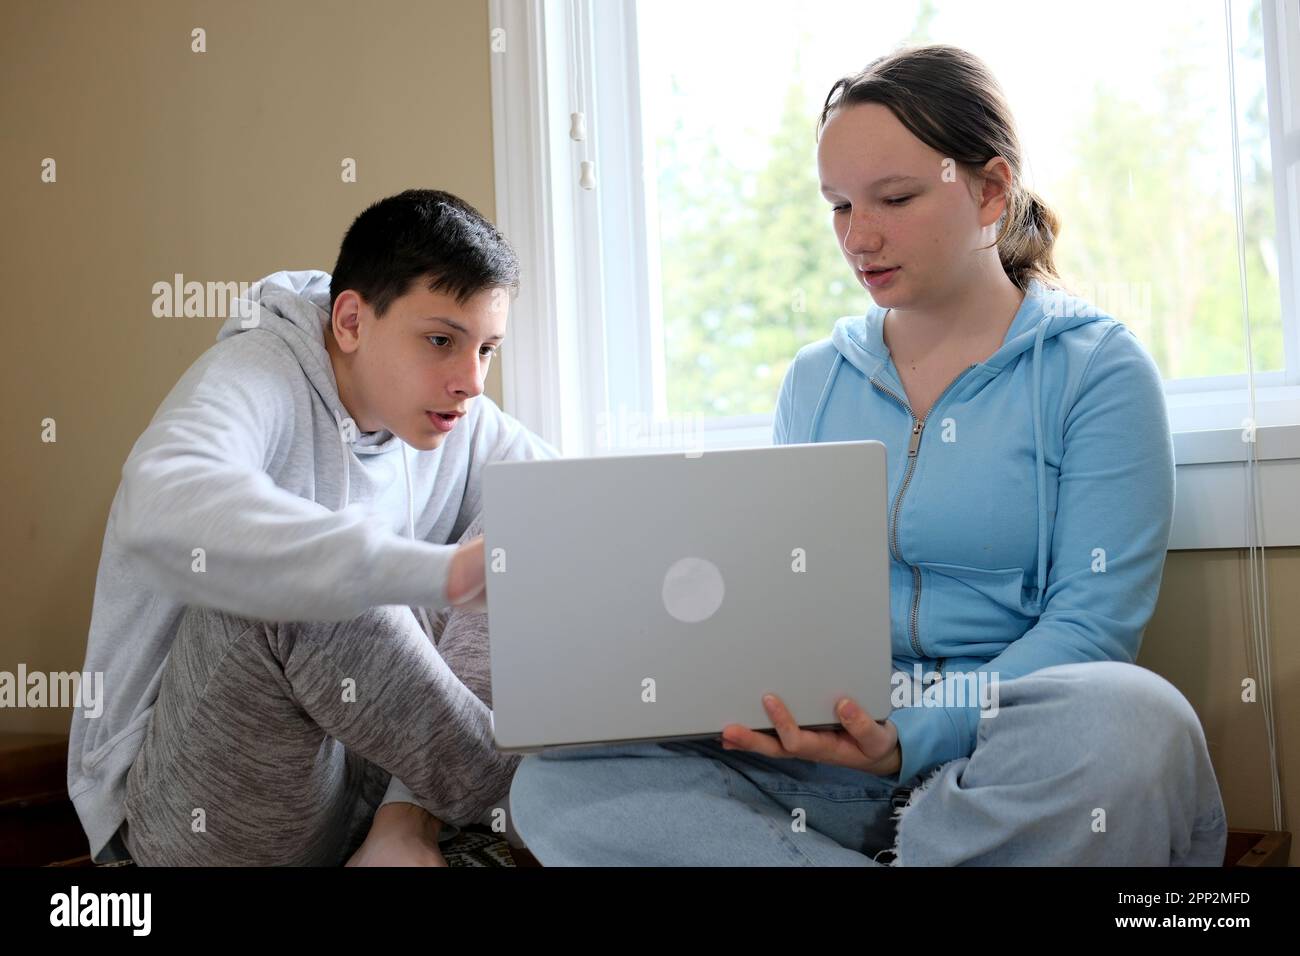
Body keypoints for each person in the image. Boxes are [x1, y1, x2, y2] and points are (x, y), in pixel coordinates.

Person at [506, 44, 1228, 866]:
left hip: (994, 752)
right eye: (839, 206)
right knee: (557, 782)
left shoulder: (1095, 370)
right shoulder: (815, 380)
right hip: (823, 756)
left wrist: (908, 735)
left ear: (990, 189)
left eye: (895, 198)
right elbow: (780, 602)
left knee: (1137, 722)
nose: (860, 237)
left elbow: (1091, 631)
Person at [68, 189, 557, 866]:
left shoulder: (463, 419)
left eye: (487, 350)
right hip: (200, 806)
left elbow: (570, 517)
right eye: (441, 340)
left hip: (367, 793)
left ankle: (410, 831)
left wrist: (402, 813)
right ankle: (547, 802)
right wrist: (435, 574)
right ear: (351, 320)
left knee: (525, 521)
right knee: (299, 583)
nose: (470, 381)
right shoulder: (258, 373)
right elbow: (158, 498)